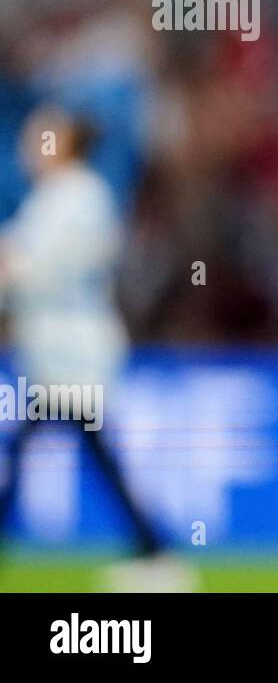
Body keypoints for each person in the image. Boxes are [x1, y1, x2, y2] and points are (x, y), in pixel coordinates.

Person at [0, 108, 188, 590]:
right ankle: (154, 551)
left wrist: (12, 268)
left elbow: (37, 269)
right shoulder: (56, 197)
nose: (27, 149)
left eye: (37, 139)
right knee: (73, 445)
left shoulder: (79, 196)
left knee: (58, 445)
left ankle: (157, 553)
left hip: (73, 349)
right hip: (54, 349)